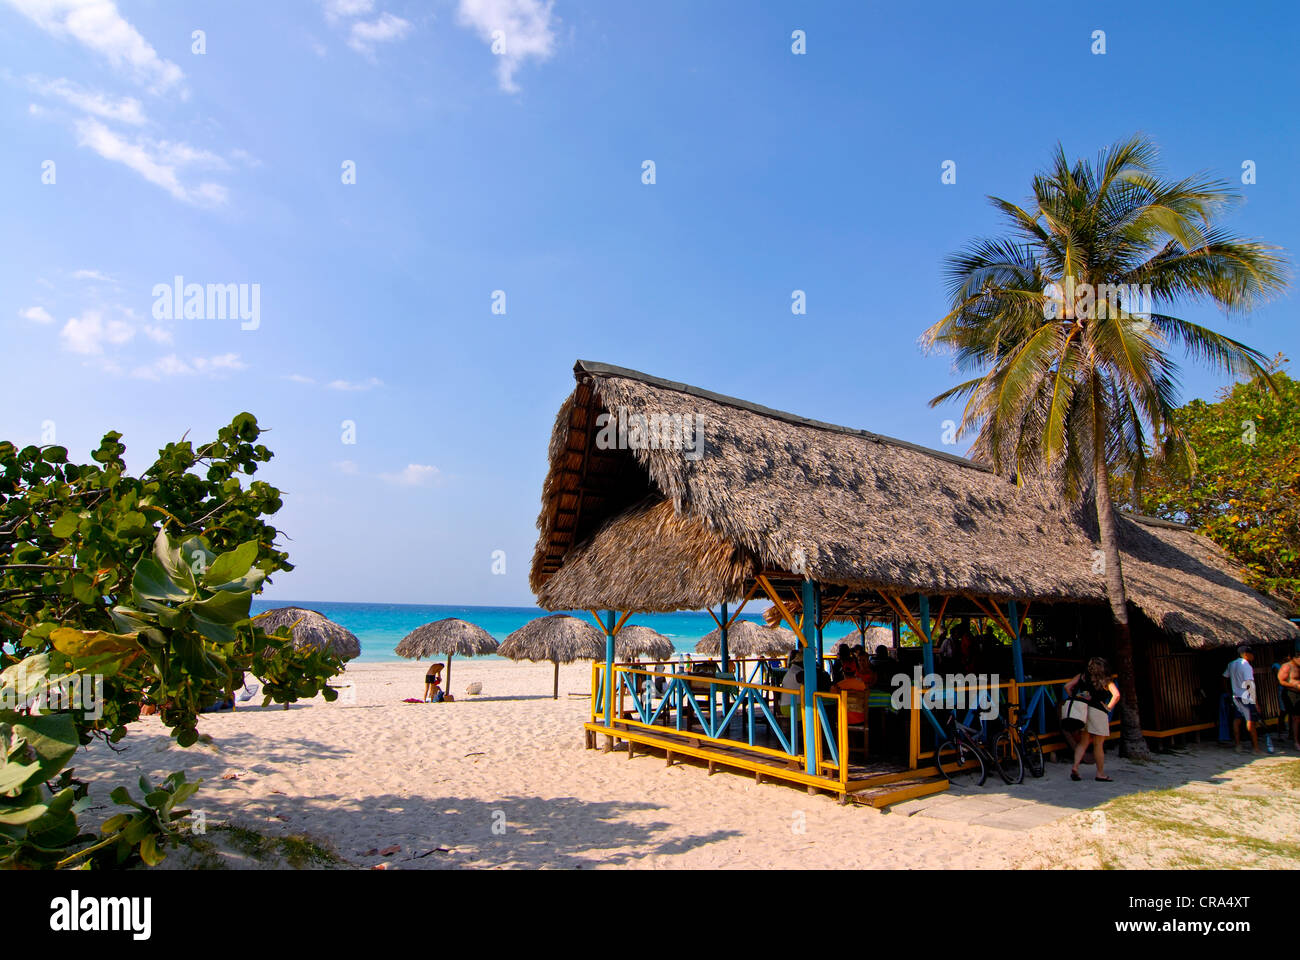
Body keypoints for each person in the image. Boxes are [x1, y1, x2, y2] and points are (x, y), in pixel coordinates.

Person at [1063, 657, 1120, 782]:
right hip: (1099, 711)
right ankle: (1100, 773)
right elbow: (1116, 695)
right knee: (1098, 744)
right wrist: (1108, 708)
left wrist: (1076, 697)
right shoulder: (1105, 679)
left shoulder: (1082, 676)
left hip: (1083, 711)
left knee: (1083, 743)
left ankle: (1075, 767)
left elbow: (1067, 686)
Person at [1224, 646, 1270, 754]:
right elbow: (1250, 685)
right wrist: (1256, 703)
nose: (1253, 656)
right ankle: (1255, 748)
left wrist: (1229, 691)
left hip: (1236, 696)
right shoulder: (1246, 666)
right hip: (1246, 697)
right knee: (1250, 722)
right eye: (1251, 653)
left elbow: (1224, 677)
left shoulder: (1231, 664)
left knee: (1237, 720)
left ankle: (1238, 745)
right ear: (1245, 654)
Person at [831, 659, 868, 725]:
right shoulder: (862, 685)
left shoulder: (838, 686)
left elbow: (831, 697)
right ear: (855, 671)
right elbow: (868, 694)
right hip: (860, 719)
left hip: (842, 719)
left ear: (843, 672)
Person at [1277, 651, 1300, 750]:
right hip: (1291, 693)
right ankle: (1296, 741)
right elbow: (1281, 681)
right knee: (1295, 717)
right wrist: (1295, 685)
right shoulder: (1287, 667)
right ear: (1295, 658)